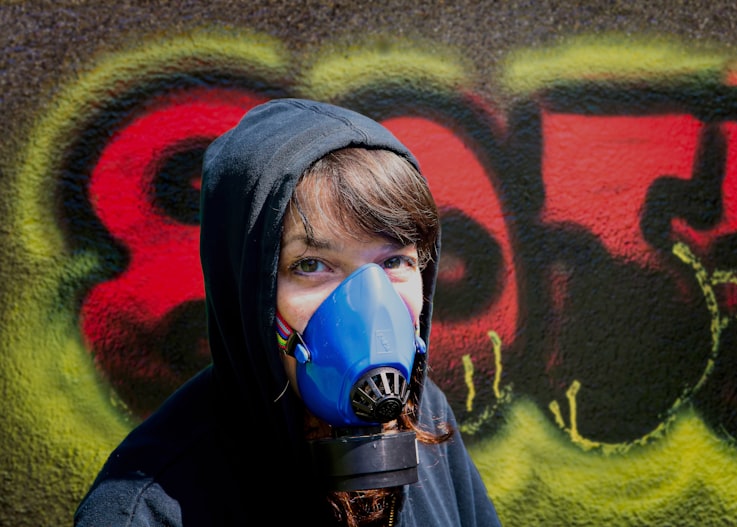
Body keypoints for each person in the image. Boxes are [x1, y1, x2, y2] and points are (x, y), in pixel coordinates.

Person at [75, 99, 501, 526]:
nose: (370, 307)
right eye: (312, 265)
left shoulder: (426, 416)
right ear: (247, 287)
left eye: (394, 261)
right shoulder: (145, 511)